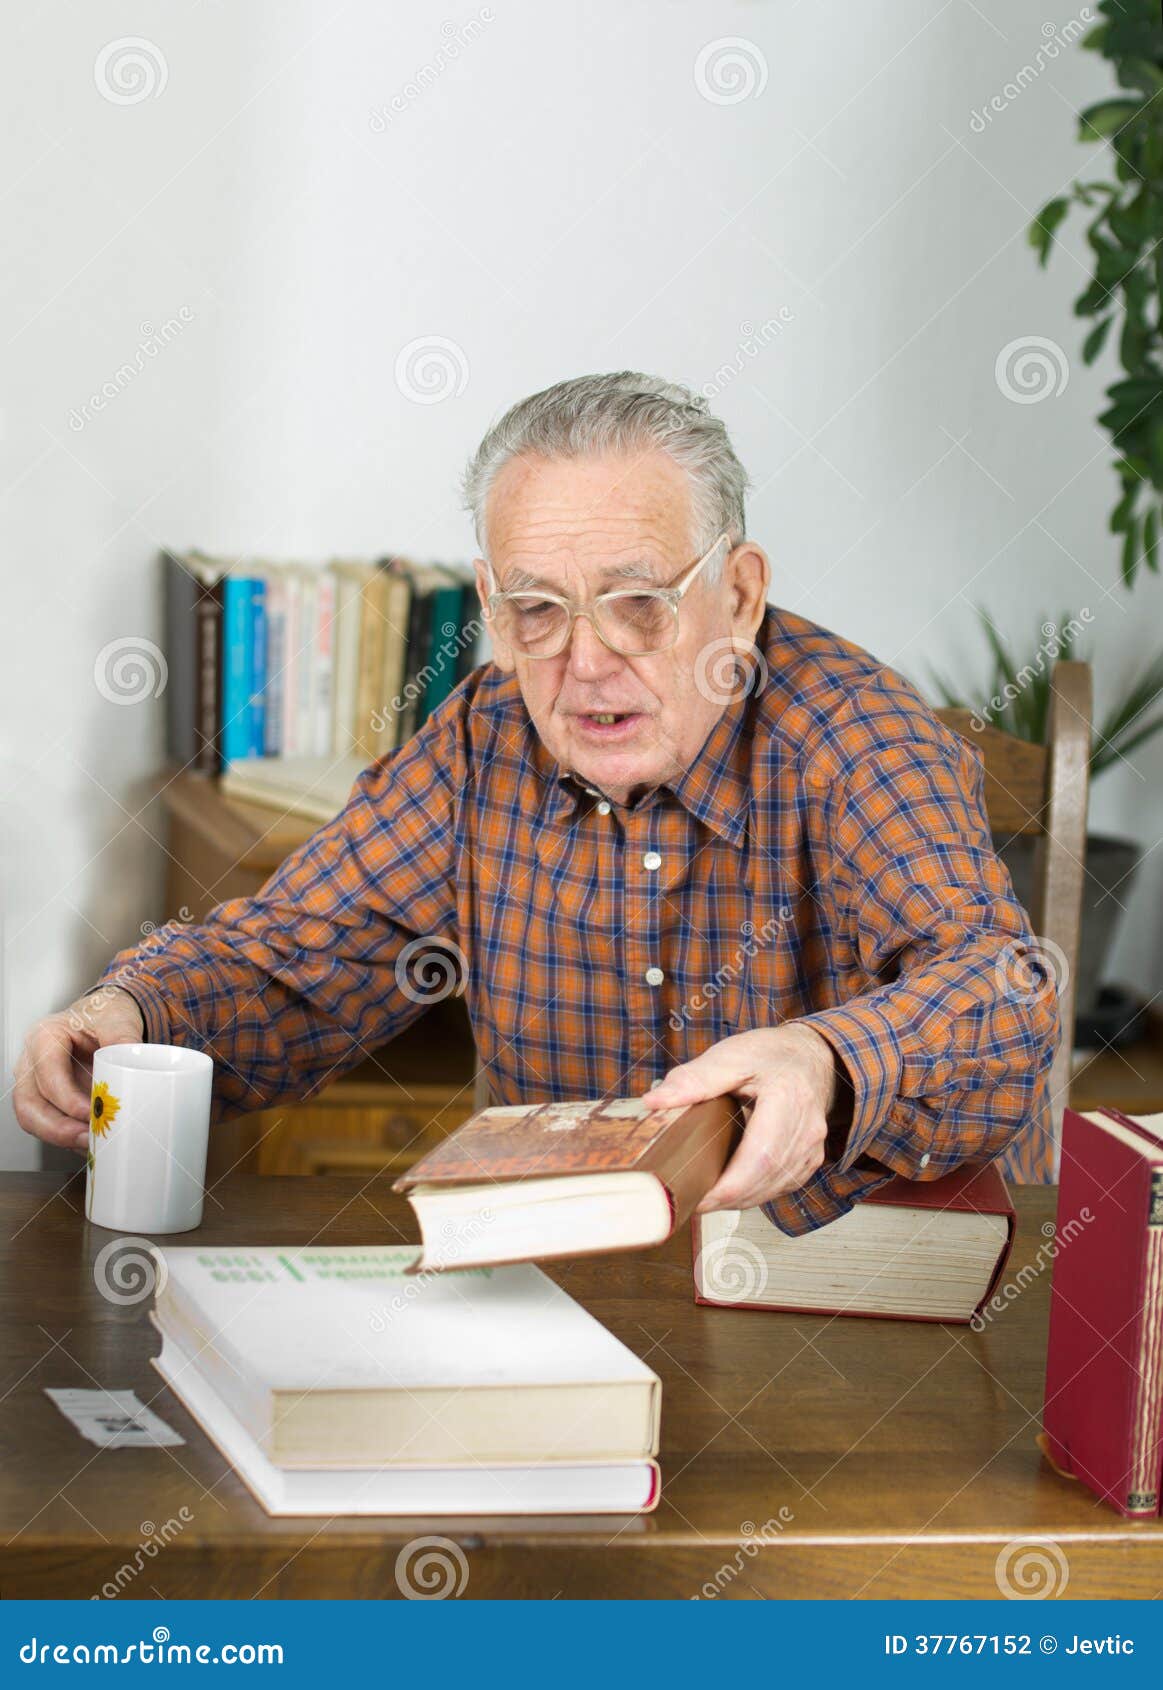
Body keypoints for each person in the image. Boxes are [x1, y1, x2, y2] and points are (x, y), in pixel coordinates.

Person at [13, 372, 1058, 1233]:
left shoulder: (853, 734)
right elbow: (297, 960)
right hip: (563, 1289)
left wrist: (822, 1056)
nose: (584, 663)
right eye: (536, 609)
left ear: (735, 596)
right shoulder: (486, 735)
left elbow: (1005, 991)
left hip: (848, 1325)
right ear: (491, 608)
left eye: (637, 603)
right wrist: (132, 1010)